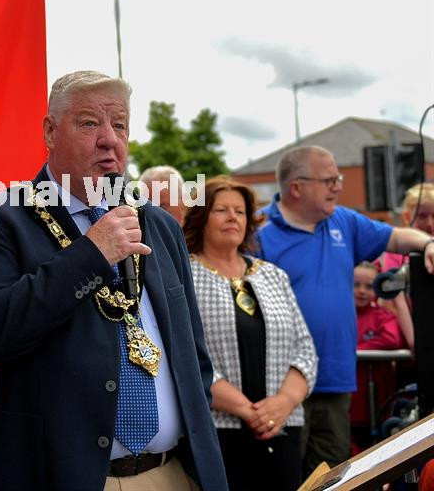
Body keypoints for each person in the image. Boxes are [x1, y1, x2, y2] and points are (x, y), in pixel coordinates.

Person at [0, 70, 228, 491]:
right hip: (70, 478)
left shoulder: (158, 224)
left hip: (176, 474)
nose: (109, 140)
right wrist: (89, 255)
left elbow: (193, 353)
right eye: (88, 123)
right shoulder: (0, 221)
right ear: (49, 131)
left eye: (119, 125)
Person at [255, 145, 434, 476]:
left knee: (332, 478)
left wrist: (428, 244)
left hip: (335, 380)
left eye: (338, 178)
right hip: (279, 386)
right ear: (296, 187)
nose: (338, 186)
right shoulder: (259, 232)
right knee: (284, 477)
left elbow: (397, 237)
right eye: (330, 180)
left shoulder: (343, 221)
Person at [183, 176, 317, 491]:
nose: (233, 218)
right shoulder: (184, 277)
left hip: (282, 427)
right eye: (221, 210)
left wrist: (283, 402)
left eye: (240, 212)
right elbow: (185, 356)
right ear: (201, 218)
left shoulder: (273, 275)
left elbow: (305, 349)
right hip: (219, 430)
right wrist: (248, 410)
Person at [350, 262, 403, 453]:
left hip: (376, 400)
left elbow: (392, 339)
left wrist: (354, 350)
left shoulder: (382, 315)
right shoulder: (342, 314)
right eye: (356, 284)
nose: (362, 291)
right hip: (349, 402)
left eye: (369, 286)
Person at [376, 182, 434, 351]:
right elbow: (397, 297)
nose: (429, 223)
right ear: (408, 217)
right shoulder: (396, 252)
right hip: (411, 332)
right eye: (422, 216)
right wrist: (414, 341)